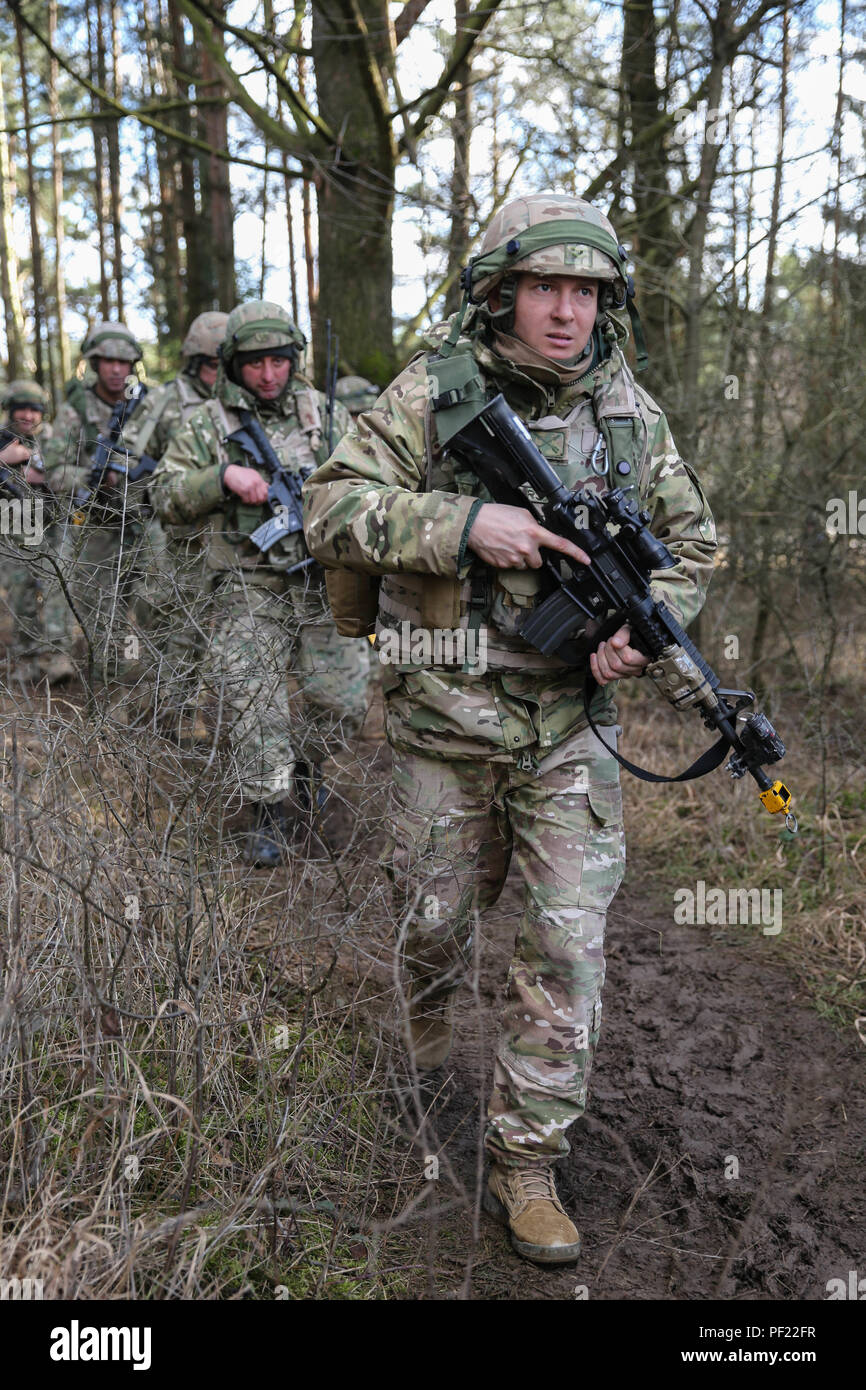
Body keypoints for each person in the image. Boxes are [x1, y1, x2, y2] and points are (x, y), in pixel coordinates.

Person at [303, 192, 717, 1264]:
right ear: (500, 293)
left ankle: (526, 1158)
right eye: (545, 287)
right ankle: (429, 1013)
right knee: (433, 921)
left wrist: (638, 633)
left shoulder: (629, 414)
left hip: (570, 726)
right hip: (443, 721)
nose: (567, 312)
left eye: (585, 292)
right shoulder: (433, 393)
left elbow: (694, 549)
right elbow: (327, 508)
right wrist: (461, 522)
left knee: (566, 949)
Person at [150, 300, 371, 864]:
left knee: (343, 701)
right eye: (254, 363)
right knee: (252, 702)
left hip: (323, 583)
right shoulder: (208, 424)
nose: (269, 374)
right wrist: (220, 477)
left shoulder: (324, 416)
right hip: (248, 585)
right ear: (232, 365)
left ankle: (308, 767)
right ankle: (268, 808)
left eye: (278, 361)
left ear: (294, 359)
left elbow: (373, 481)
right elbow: (163, 495)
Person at [120, 311, 229, 731]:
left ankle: (200, 708)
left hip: (238, 534)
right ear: (195, 362)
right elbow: (126, 459)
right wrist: (154, 491)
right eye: (212, 365)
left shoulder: (242, 403)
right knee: (174, 621)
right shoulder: (165, 400)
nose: (219, 375)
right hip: (181, 536)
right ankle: (170, 709)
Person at [42, 321, 147, 687]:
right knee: (103, 610)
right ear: (94, 363)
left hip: (145, 520)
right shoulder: (76, 410)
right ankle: (112, 688)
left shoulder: (148, 405)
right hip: (98, 524)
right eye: (108, 362)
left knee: (155, 605)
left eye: (123, 362)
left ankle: (155, 687)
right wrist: (91, 479)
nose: (116, 369)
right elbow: (53, 470)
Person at [0, 379, 75, 683]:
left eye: (34, 409)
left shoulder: (55, 437)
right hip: (15, 523)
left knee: (58, 586)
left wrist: (42, 469)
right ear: (9, 410)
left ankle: (58, 655)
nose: (28, 416)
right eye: (21, 409)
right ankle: (26, 657)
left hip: (54, 523)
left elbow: (74, 472)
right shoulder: (2, 439)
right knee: (21, 591)